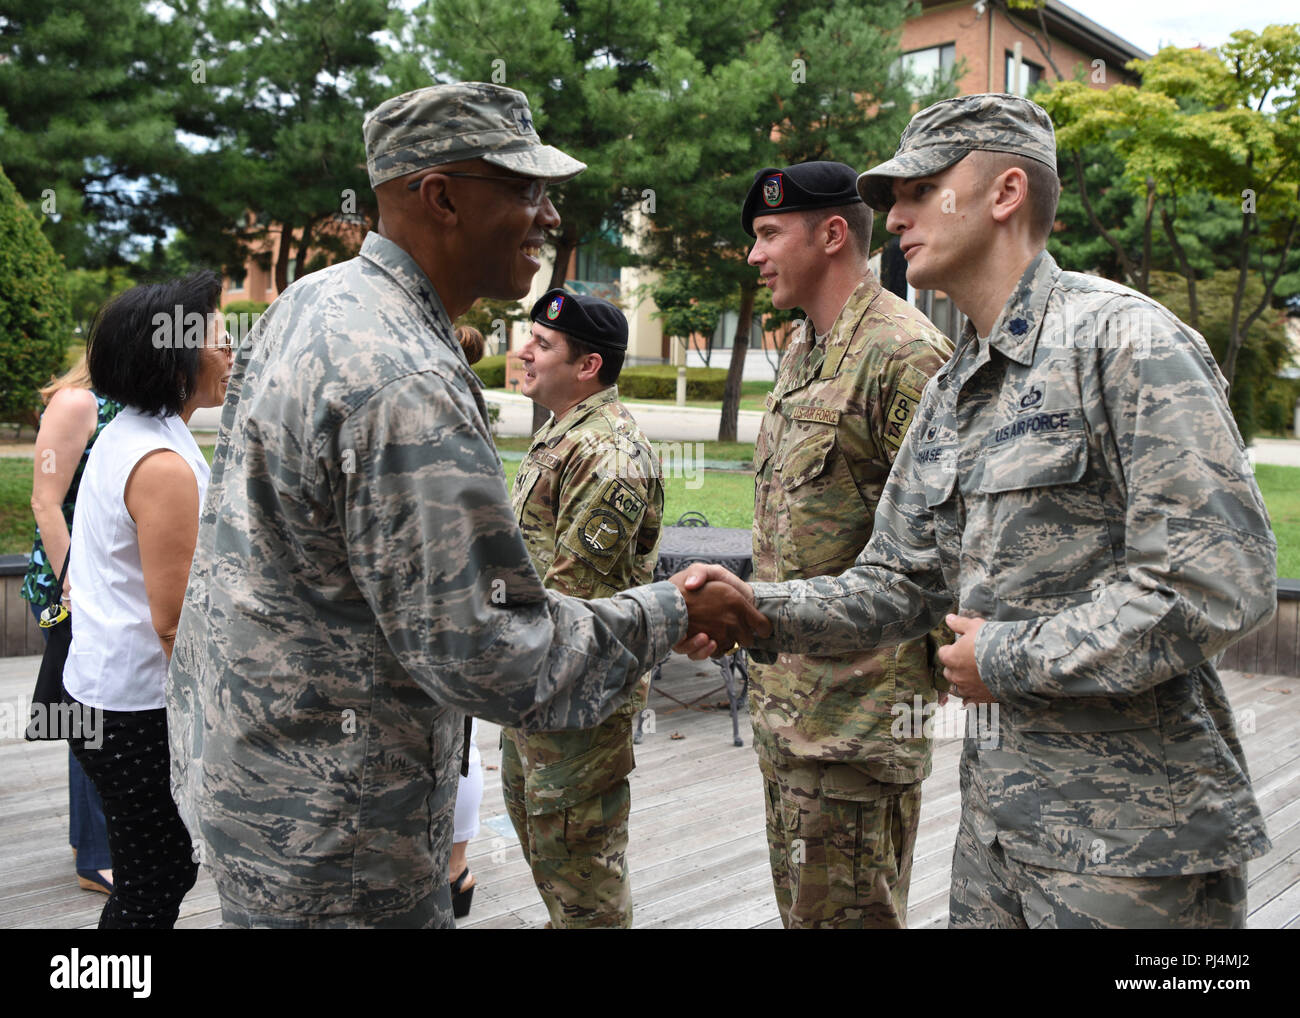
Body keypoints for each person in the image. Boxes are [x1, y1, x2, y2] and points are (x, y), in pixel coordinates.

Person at [166, 82, 765, 929]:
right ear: (441, 197)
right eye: (525, 189)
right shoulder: (405, 376)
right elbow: (496, 655)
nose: (550, 216)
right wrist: (673, 609)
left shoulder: (314, 301)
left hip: (258, 787)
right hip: (343, 843)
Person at [678, 94, 1276, 929]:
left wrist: (1008, 658)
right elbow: (897, 582)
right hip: (997, 833)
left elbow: (1218, 579)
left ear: (1005, 193)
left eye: (921, 189)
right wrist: (755, 609)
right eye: (893, 197)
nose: (894, 218)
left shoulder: (1125, 343)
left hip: (1137, 852)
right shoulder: (956, 387)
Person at [740, 161, 952, 928]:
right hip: (788, 713)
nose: (754, 254)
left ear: (833, 235)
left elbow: (945, 554)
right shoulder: (803, 350)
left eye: (768, 234)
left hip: (857, 731)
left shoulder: (904, 356)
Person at [63, 271, 232, 928]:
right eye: (220, 338)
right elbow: (174, 623)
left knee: (157, 867)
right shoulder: (160, 464)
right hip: (131, 707)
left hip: (105, 691)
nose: (230, 352)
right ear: (176, 352)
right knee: (154, 876)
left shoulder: (142, 431)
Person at [502, 288, 661, 928]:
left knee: (580, 868)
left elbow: (574, 597)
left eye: (542, 345)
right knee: (550, 850)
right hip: (537, 689)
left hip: (577, 699)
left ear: (587, 366)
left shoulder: (608, 455)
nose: (523, 353)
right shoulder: (563, 439)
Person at [21, 355, 121, 896]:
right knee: (89, 715)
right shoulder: (79, 402)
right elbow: (44, 501)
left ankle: (92, 839)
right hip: (71, 588)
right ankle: (96, 855)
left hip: (108, 587)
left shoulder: (132, 407)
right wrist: (73, 587)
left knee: (101, 711)